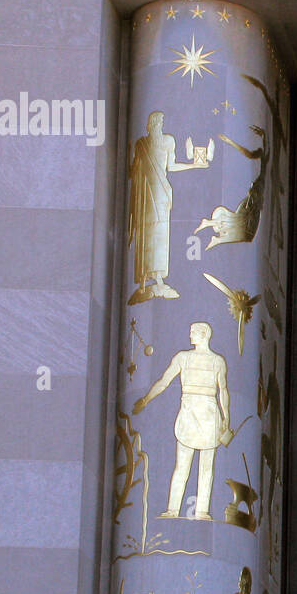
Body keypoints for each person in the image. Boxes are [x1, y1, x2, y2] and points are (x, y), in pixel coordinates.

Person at [134, 322, 230, 520]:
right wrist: (145, 399)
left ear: (205, 334)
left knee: (206, 468)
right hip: (188, 414)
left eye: (194, 332)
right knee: (182, 466)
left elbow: (223, 391)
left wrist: (226, 418)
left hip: (209, 415)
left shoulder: (217, 361)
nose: (190, 336)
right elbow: (164, 381)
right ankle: (172, 509)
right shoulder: (183, 358)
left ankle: (202, 511)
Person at [127, 111, 206, 303]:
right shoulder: (141, 144)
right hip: (145, 194)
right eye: (158, 121)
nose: (160, 124)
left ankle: (160, 279)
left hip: (161, 193)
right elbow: (133, 171)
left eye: (162, 121)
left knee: (160, 236)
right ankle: (144, 282)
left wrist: (193, 166)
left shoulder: (169, 141)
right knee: (145, 236)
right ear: (151, 123)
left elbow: (171, 166)